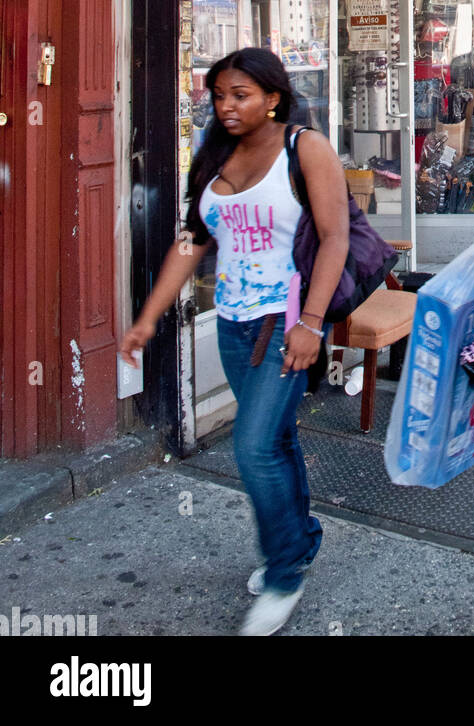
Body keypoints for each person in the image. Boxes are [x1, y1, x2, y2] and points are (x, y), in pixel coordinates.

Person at [119, 49, 350, 635]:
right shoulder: (213, 153)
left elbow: (335, 237)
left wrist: (312, 324)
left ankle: (283, 574)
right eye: (218, 95)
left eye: (240, 95)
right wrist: (148, 318)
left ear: (272, 98)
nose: (225, 106)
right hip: (231, 323)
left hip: (285, 323)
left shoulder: (305, 148)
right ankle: (300, 540)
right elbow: (192, 239)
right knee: (276, 438)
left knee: (252, 448)